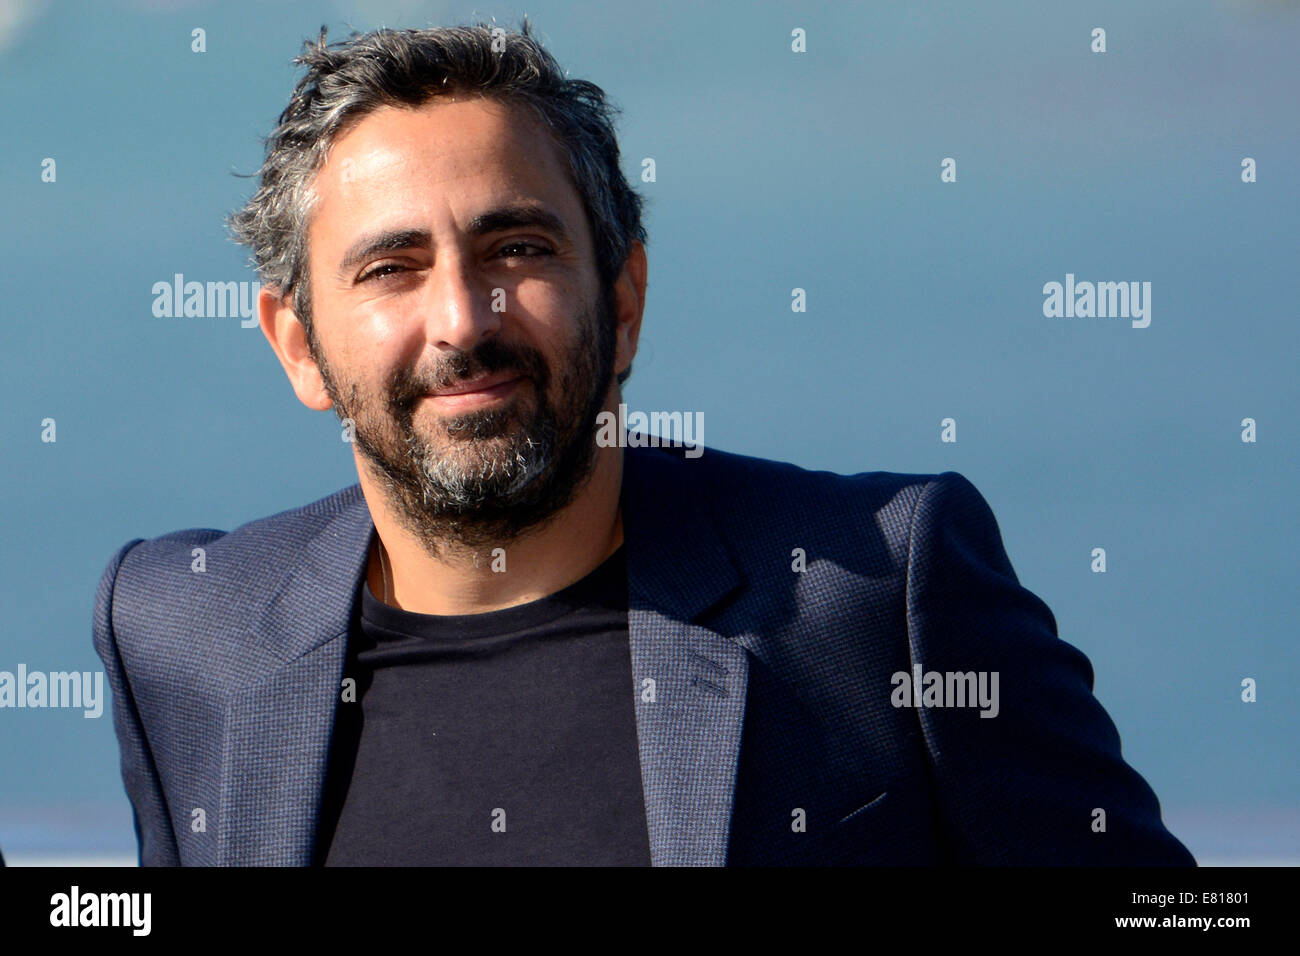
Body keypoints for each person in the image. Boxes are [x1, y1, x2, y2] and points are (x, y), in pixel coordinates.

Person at [92, 20, 1194, 866]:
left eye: (515, 245)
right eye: (392, 268)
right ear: (298, 343)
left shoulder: (876, 590)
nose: (463, 320)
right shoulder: (182, 631)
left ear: (623, 298)